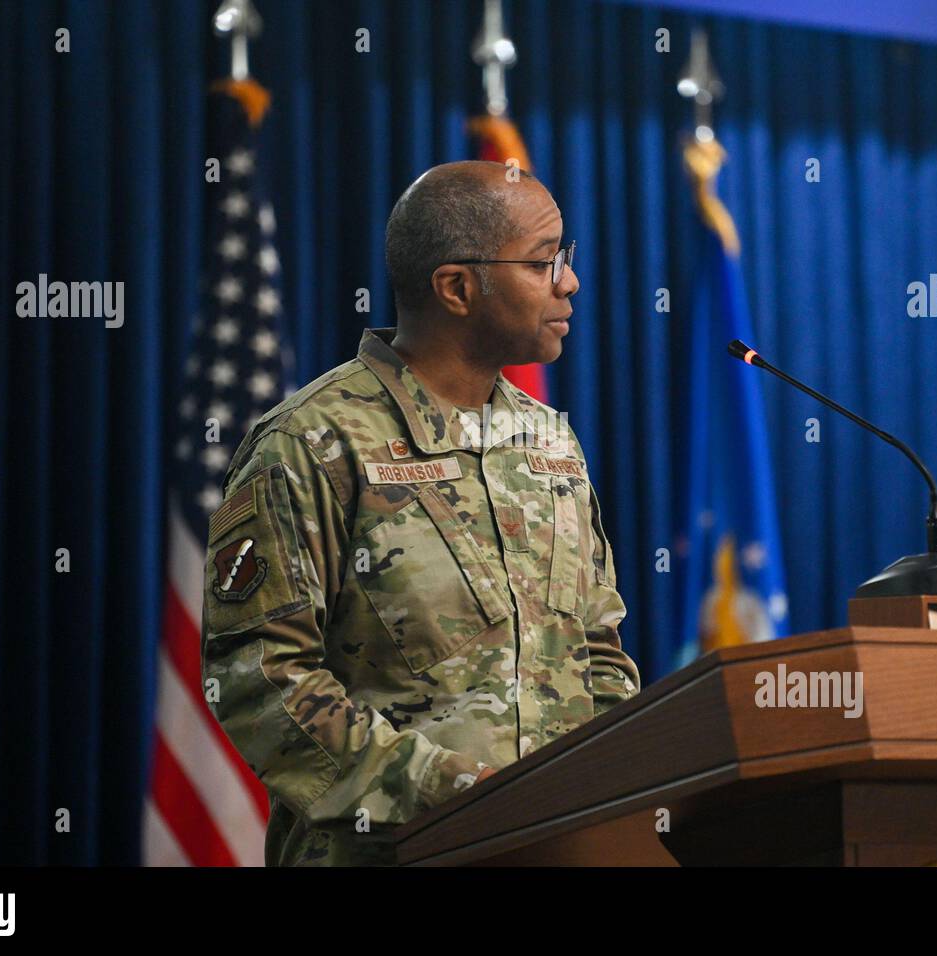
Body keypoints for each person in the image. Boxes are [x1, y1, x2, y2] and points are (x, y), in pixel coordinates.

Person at [201, 160, 641, 866]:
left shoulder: (549, 440)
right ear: (457, 288)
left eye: (567, 257)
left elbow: (599, 652)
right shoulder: (315, 442)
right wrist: (457, 792)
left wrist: (626, 796)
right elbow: (261, 679)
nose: (570, 282)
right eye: (543, 262)